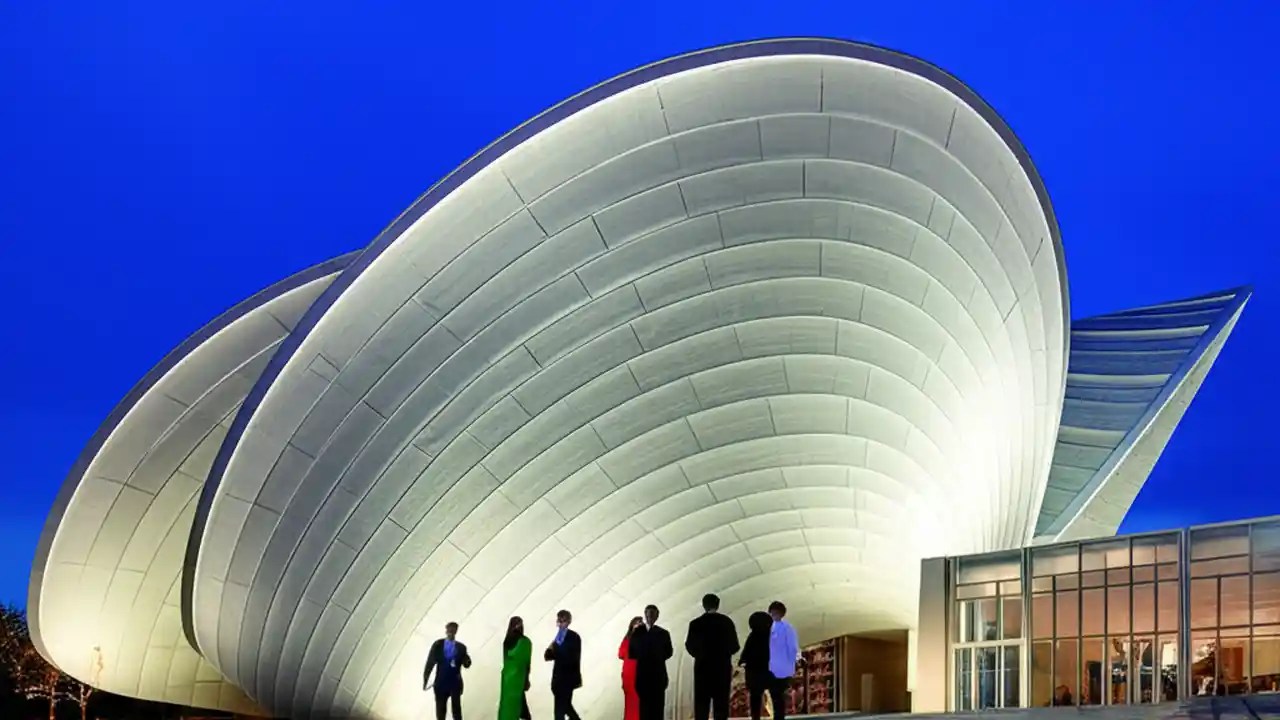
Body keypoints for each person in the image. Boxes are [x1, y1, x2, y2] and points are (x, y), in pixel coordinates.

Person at [685, 594, 740, 720]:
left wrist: (700, 655)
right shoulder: (726, 622)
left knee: (701, 705)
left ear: (703, 605)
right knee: (721, 705)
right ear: (718, 604)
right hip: (722, 669)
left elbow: (689, 646)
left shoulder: (695, 624)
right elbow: (735, 646)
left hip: (702, 669)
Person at [629, 604, 673, 720]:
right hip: (644, 676)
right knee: (645, 709)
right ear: (646, 615)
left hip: (657, 676)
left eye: (653, 615)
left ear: (657, 616)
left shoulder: (663, 633)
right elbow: (632, 652)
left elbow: (669, 652)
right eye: (649, 615)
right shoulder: (638, 633)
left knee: (657, 710)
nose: (651, 618)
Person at [423, 622, 472, 720]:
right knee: (441, 710)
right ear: (446, 631)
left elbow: (466, 663)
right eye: (450, 630)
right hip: (441, 683)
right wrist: (426, 679)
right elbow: (430, 662)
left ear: (456, 632)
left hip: (454, 683)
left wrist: (467, 660)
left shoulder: (461, 647)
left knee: (456, 711)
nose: (451, 632)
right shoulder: (438, 645)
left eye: (453, 630)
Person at [543, 609, 583, 720]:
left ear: (568, 621)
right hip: (559, 679)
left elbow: (570, 656)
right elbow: (548, 655)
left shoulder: (573, 637)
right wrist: (553, 649)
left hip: (567, 678)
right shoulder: (558, 638)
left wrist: (555, 650)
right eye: (559, 620)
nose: (560, 623)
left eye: (563, 620)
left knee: (562, 708)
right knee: (562, 708)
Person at [766, 601, 800, 720]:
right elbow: (793, 648)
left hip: (776, 668)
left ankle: (778, 717)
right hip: (779, 668)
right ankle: (778, 717)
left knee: (777, 697)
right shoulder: (785, 628)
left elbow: (793, 648)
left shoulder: (785, 628)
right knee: (777, 697)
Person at [737, 611, 773, 720]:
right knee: (775, 695)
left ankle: (755, 717)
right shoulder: (771, 636)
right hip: (769, 670)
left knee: (755, 697)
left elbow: (746, 653)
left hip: (754, 672)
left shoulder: (753, 636)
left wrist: (742, 661)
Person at [498, 616, 533, 720]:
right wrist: (526, 679)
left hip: (508, 678)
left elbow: (506, 659)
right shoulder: (525, 642)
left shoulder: (507, 641)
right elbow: (526, 663)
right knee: (517, 702)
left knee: (509, 703)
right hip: (518, 677)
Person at [618, 616, 643, 720]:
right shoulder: (628, 640)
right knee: (632, 701)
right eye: (637, 623)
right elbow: (620, 653)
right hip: (630, 674)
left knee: (636, 701)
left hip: (637, 673)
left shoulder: (630, 639)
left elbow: (621, 654)